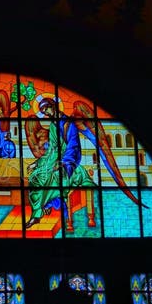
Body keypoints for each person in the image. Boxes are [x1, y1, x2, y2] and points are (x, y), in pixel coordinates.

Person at [25, 95, 95, 227]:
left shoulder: (68, 124)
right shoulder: (52, 125)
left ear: (53, 106)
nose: (46, 112)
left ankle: (45, 208)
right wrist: (38, 162)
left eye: (47, 109)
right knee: (35, 178)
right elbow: (52, 148)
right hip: (53, 158)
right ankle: (37, 213)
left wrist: (64, 163)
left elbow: (73, 146)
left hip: (67, 159)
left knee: (52, 177)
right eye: (44, 111)